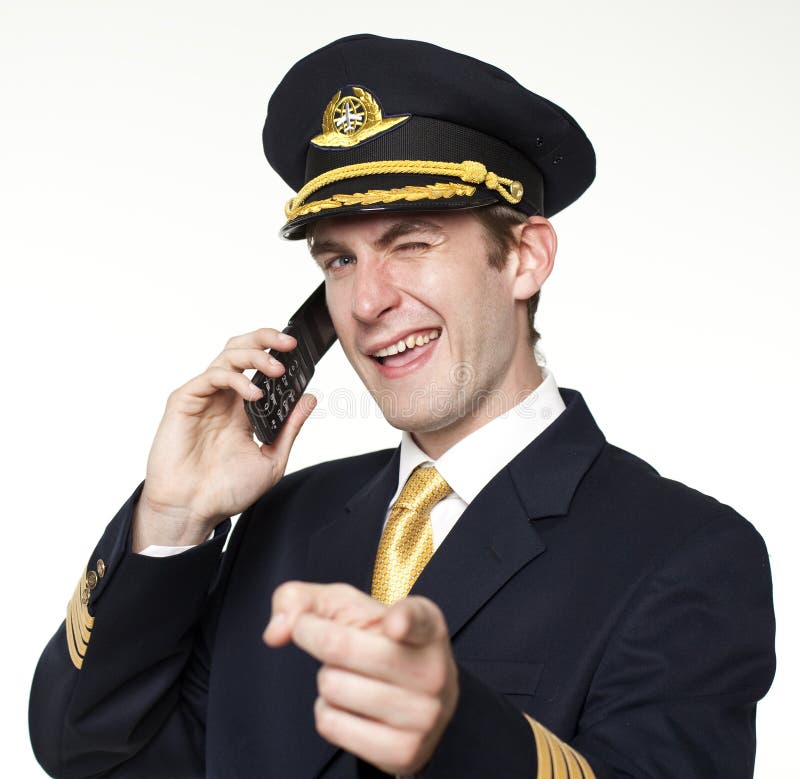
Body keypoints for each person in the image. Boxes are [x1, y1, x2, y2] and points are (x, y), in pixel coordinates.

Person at [29, 34, 775, 779]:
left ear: (524, 258)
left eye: (411, 242)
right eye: (339, 259)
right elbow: (90, 754)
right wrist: (175, 519)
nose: (367, 301)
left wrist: (458, 729)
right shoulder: (280, 523)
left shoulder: (685, 554)